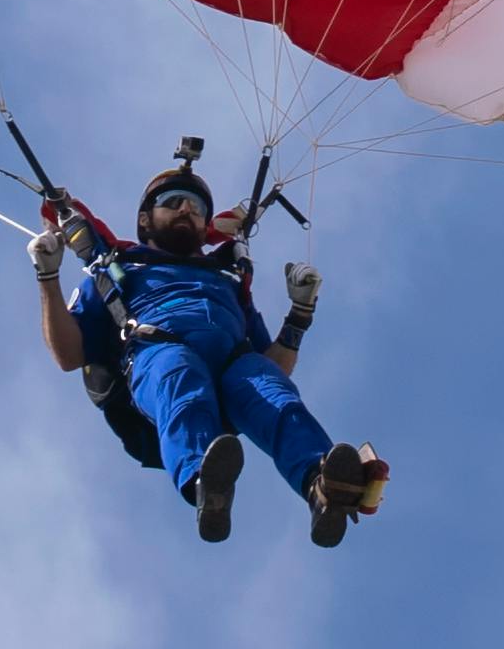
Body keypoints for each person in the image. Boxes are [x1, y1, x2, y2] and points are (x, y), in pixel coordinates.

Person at [32, 155, 386, 548]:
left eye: (197, 206)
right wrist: (48, 277)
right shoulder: (116, 272)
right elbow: (68, 356)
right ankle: (205, 480)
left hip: (232, 362)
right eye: (174, 201)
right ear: (145, 220)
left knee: (270, 391)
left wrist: (299, 315)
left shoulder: (227, 282)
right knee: (180, 376)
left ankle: (321, 484)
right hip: (157, 351)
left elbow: (276, 366)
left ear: (205, 227)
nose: (188, 208)